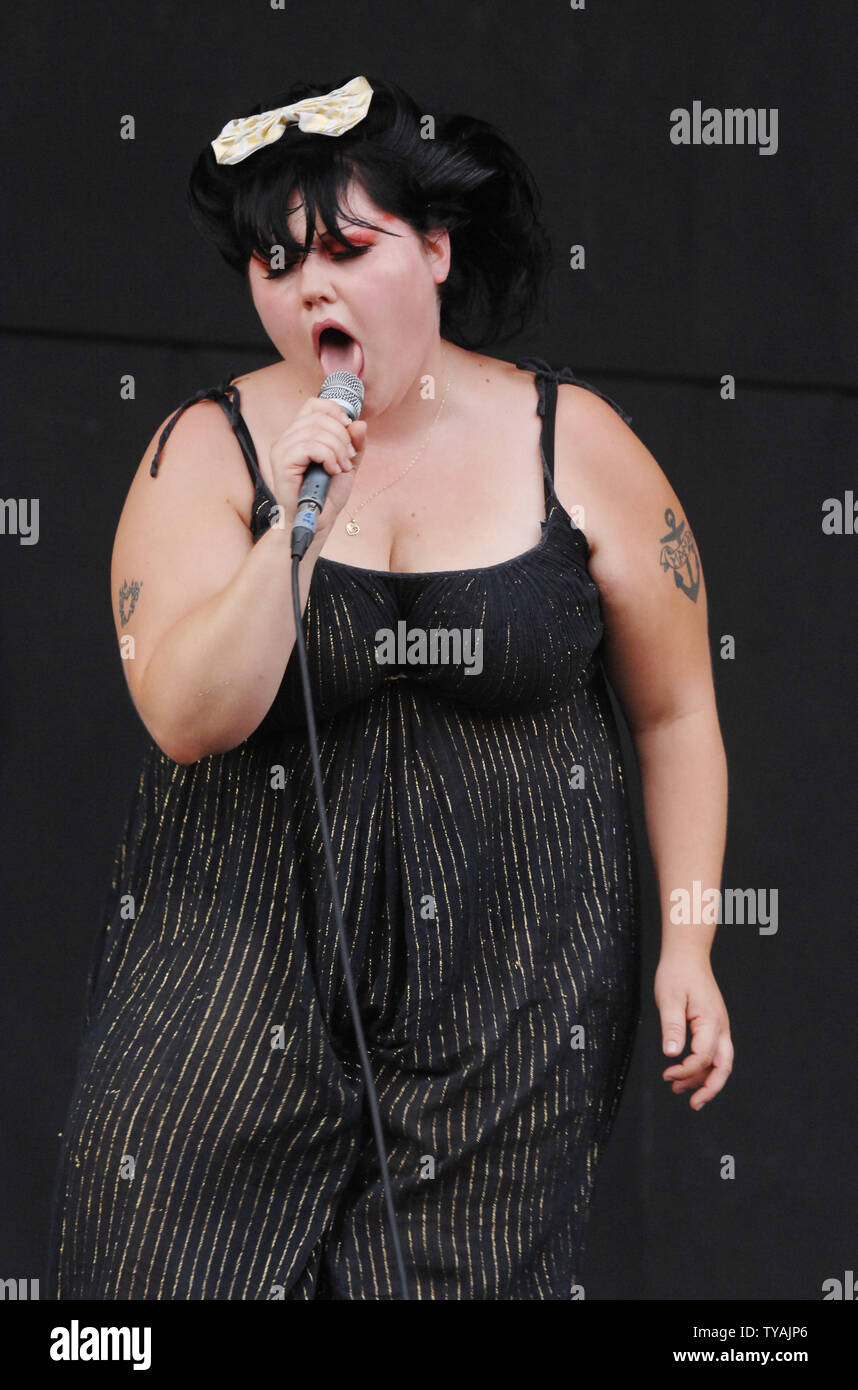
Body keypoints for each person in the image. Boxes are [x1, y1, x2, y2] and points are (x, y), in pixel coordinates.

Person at [46, 74, 732, 1301]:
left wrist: (692, 941)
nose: (308, 286)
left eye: (346, 249)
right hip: (234, 981)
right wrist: (297, 533)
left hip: (514, 997)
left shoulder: (574, 442)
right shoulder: (207, 451)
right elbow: (188, 714)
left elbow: (679, 712)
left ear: (433, 247)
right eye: (273, 259)